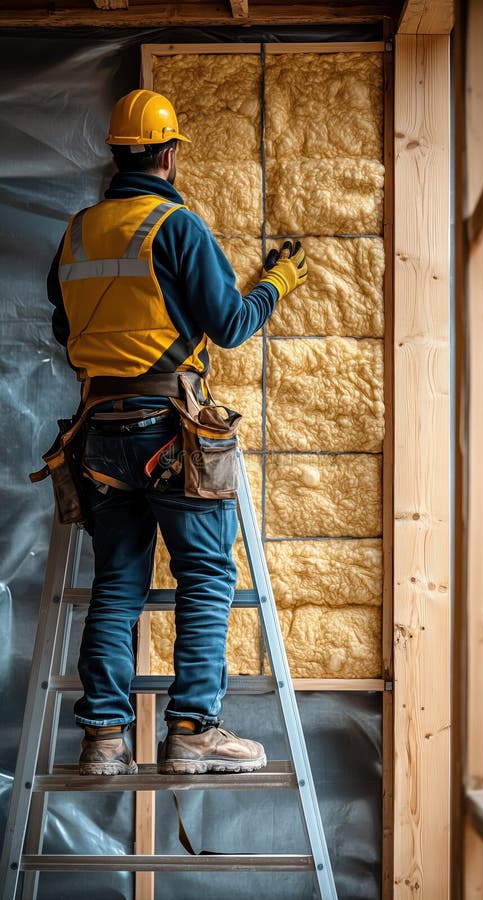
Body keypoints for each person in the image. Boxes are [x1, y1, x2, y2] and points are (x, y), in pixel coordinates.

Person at [47, 89, 307, 776]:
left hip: (98, 430)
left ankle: (103, 738)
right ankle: (192, 730)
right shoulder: (176, 226)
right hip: (171, 428)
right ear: (167, 153)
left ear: (116, 152)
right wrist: (276, 282)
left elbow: (63, 330)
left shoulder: (76, 231)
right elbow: (229, 324)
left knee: (116, 582)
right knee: (205, 574)